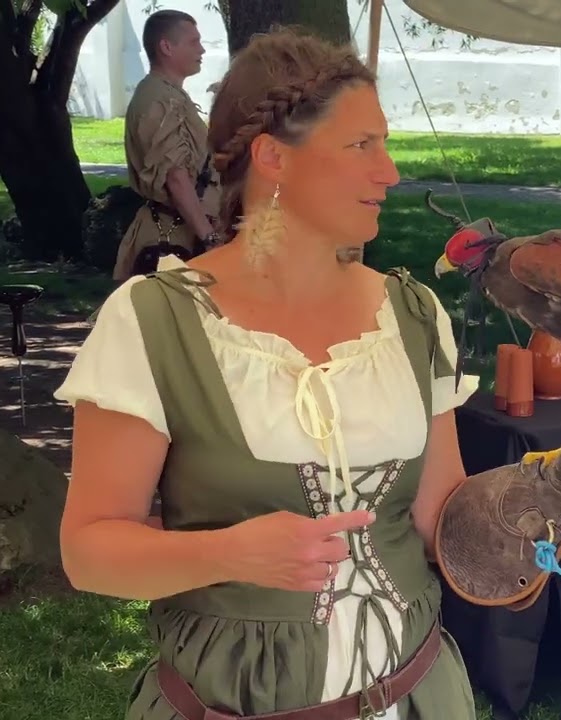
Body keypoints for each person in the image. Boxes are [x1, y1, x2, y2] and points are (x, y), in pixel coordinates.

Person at [56, 30, 479, 719]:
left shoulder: (412, 313)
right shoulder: (154, 321)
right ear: (274, 157)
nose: (390, 172)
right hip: (234, 703)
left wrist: (540, 504)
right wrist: (229, 553)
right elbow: (89, 552)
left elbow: (441, 514)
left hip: (420, 695)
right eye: (361, 145)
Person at [113, 9, 221, 281]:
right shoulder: (158, 98)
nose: (202, 50)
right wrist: (209, 238)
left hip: (187, 231)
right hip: (174, 238)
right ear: (166, 47)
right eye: (193, 42)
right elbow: (176, 178)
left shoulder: (170, 94)